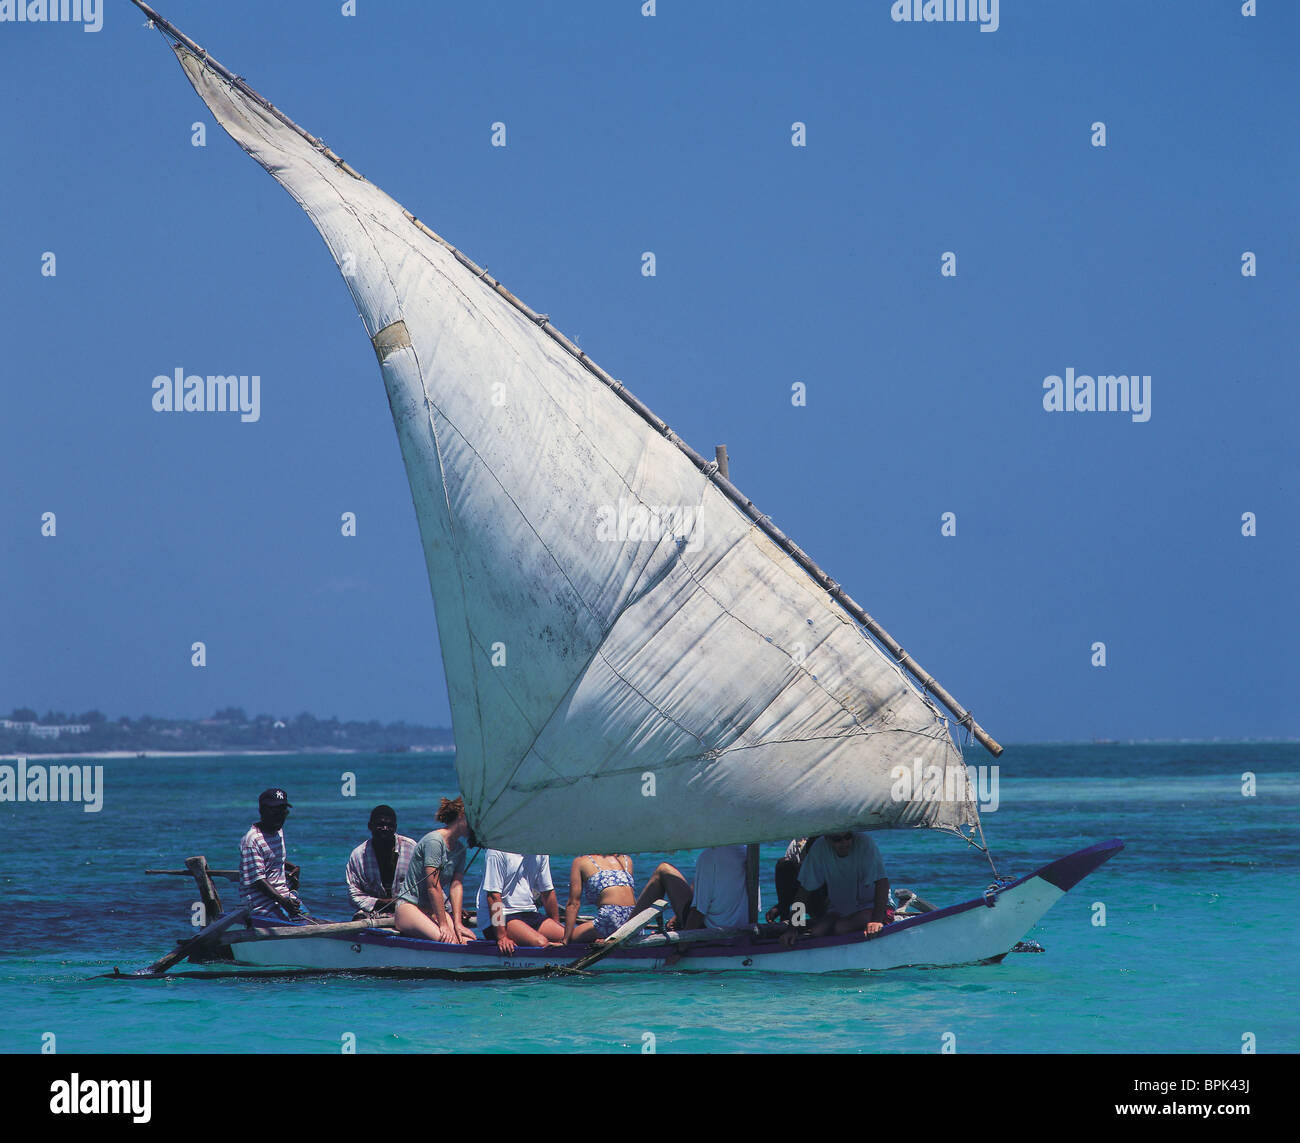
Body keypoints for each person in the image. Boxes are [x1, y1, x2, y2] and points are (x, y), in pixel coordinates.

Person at [779, 830, 891, 948]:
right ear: (827, 838)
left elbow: (882, 882)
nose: (844, 843)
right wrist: (792, 929)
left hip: (872, 906)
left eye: (848, 837)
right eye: (837, 839)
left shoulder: (865, 843)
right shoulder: (819, 848)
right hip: (838, 910)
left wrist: (876, 920)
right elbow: (804, 891)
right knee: (817, 932)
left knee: (841, 928)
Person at [393, 796, 476, 944]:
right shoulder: (434, 841)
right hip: (409, 907)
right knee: (449, 941)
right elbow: (433, 886)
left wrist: (458, 924)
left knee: (466, 941)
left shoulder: (460, 849)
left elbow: (456, 886)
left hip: (432, 910)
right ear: (462, 816)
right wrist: (443, 925)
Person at [565, 854, 694, 943]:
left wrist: (566, 941)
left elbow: (573, 904)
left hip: (609, 919)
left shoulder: (580, 861)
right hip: (634, 920)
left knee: (570, 936)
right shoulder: (626, 859)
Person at [239, 787, 308, 919]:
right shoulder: (252, 840)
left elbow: (271, 859)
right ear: (262, 811)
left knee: (308, 919)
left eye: (283, 811)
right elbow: (258, 880)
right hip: (260, 905)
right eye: (275, 811)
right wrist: (284, 902)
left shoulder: (278, 831)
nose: (280, 816)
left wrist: (292, 868)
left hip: (284, 897)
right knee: (299, 923)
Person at [477, 850, 565, 952]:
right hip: (498, 918)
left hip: (529, 913)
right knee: (541, 943)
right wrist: (501, 937)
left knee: (569, 938)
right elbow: (493, 896)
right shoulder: (496, 851)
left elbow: (547, 891)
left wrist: (555, 923)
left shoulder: (540, 850)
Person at [345, 804, 418, 919]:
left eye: (389, 825)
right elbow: (354, 895)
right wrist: (384, 903)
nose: (385, 828)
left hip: (409, 911)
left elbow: (425, 885)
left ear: (396, 827)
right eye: (380, 825)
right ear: (370, 826)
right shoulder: (358, 855)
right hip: (373, 913)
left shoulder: (411, 848)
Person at [678, 844, 755, 930]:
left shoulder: (709, 856)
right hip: (742, 929)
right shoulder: (747, 852)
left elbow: (698, 912)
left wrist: (683, 942)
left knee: (663, 869)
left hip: (712, 930)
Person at [766, 836, 828, 923]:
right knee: (784, 864)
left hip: (827, 898)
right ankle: (785, 918)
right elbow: (800, 888)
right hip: (805, 895)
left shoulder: (832, 843)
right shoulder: (796, 844)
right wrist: (782, 906)